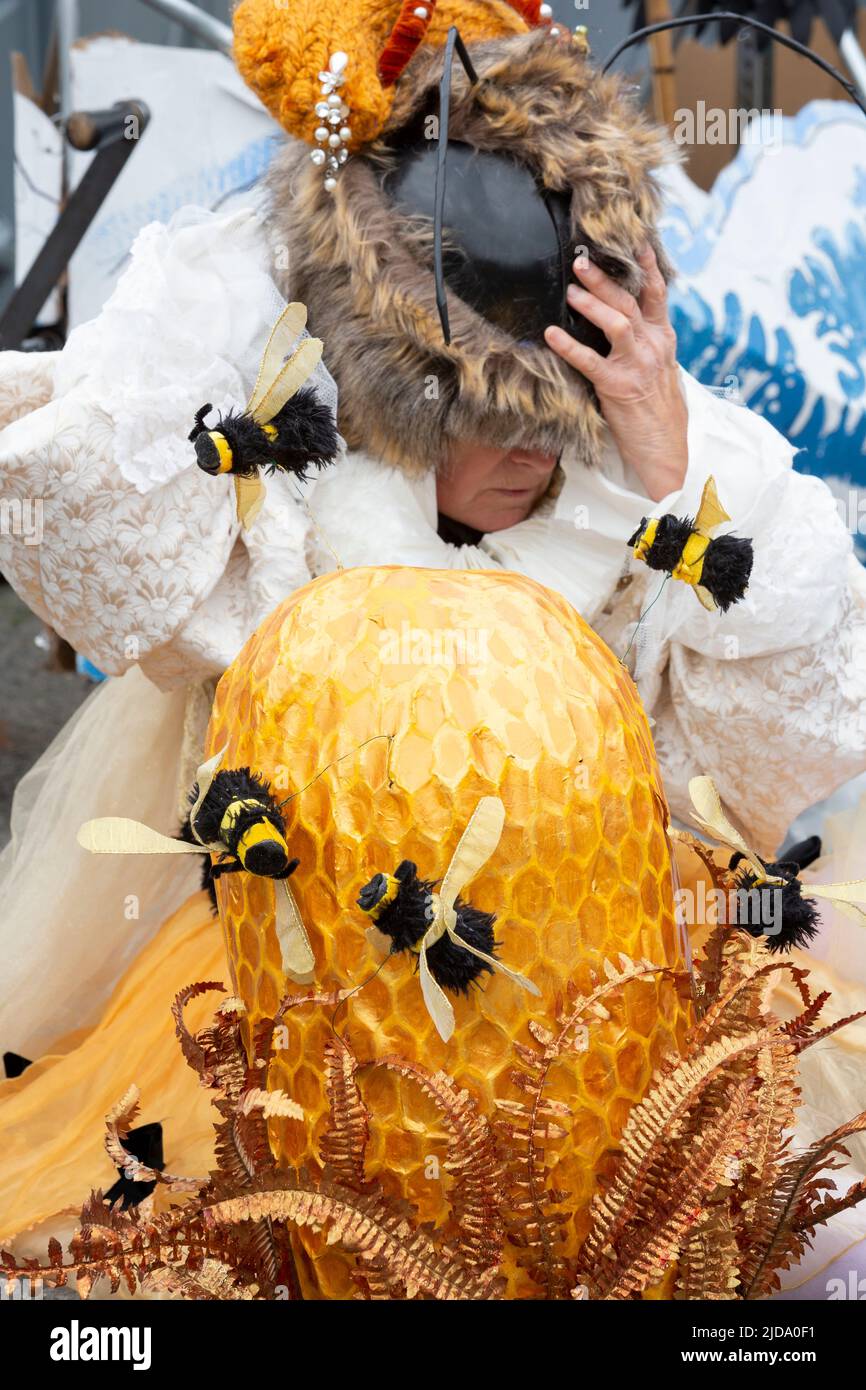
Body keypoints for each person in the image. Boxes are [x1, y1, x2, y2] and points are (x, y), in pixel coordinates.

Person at [0, 0, 864, 1290]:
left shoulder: (657, 483)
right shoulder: (282, 501)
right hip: (299, 1001)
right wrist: (324, 220)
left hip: (593, 1005)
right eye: (495, 421)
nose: (533, 456)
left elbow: (786, 741)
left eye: (558, 426)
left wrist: (666, 458)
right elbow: (73, 501)